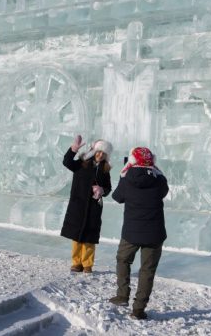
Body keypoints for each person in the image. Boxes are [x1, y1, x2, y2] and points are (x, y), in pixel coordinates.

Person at [109, 147, 169, 320]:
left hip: (131, 234)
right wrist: (157, 171)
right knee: (147, 271)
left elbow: (117, 197)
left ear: (132, 161)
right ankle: (138, 310)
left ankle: (122, 295)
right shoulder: (159, 180)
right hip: (154, 234)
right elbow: (164, 192)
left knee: (123, 260)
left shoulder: (127, 178)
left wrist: (122, 175)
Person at [60, 135, 113, 274]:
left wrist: (102, 190)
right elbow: (67, 162)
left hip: (94, 207)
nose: (100, 155)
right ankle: (76, 263)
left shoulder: (105, 170)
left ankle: (87, 264)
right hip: (78, 205)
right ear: (94, 151)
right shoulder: (81, 163)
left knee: (89, 237)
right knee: (77, 236)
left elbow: (108, 188)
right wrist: (73, 150)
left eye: (103, 154)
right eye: (98, 151)